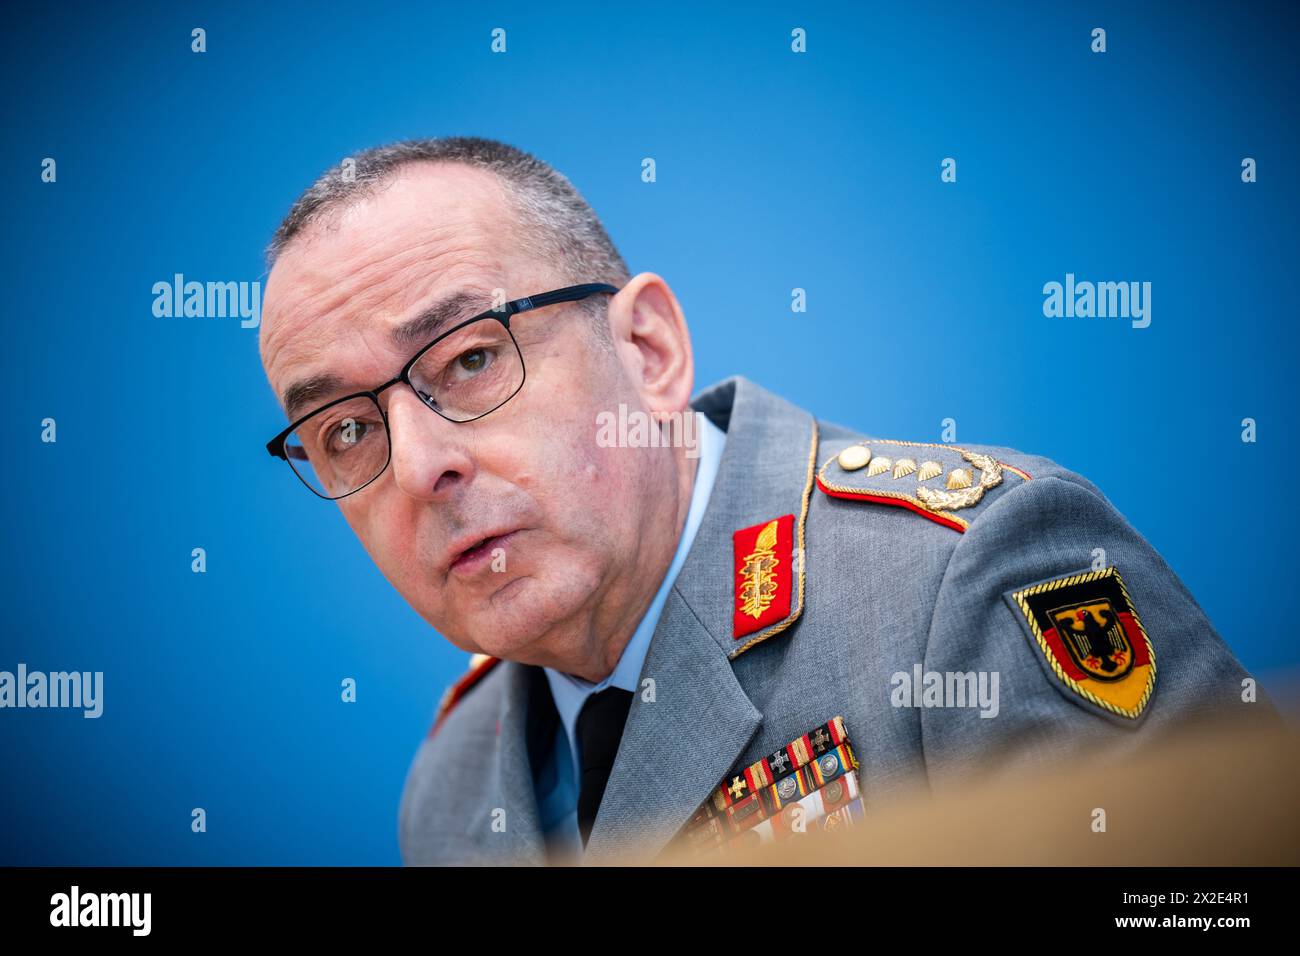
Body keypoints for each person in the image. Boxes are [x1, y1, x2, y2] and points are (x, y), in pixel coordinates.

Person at [257, 137, 1274, 866]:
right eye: (345, 428)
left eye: (472, 357)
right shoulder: (452, 785)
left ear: (646, 351)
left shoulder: (962, 583)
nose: (420, 464)